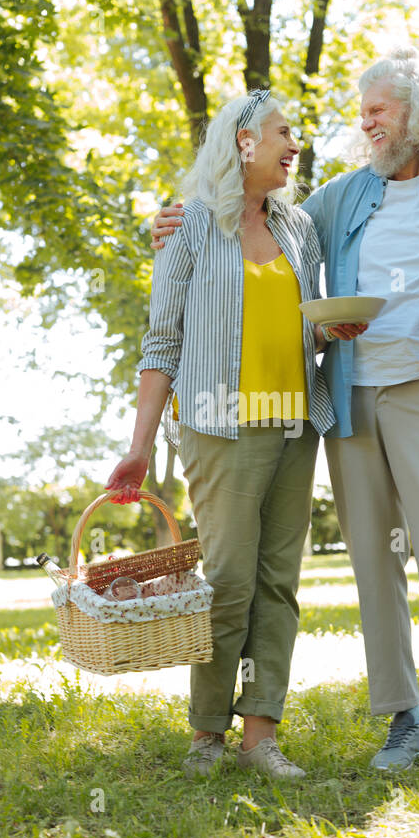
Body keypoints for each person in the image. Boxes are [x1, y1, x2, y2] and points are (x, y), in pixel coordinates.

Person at [152, 47, 419, 779]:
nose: (365, 122)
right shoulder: (340, 196)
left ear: (418, 115)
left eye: (379, 109)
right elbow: (260, 218)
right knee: (375, 557)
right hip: (354, 397)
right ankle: (405, 720)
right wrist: (180, 224)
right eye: (363, 110)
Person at [107, 90, 361, 780]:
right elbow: (162, 343)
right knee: (226, 582)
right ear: (244, 141)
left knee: (278, 582)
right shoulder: (188, 225)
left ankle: (260, 736)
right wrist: (139, 444)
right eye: (284, 132)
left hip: (294, 423)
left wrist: (329, 328)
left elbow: (303, 322)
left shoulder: (300, 228)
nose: (295, 144)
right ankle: (205, 734)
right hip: (220, 427)